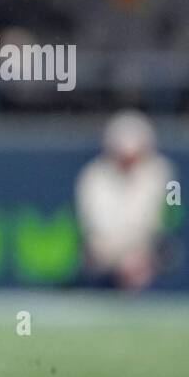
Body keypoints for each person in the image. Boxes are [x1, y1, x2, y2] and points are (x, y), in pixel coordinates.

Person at [75, 110, 174, 290]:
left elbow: (159, 222)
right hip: (105, 255)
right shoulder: (94, 175)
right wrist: (119, 257)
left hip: (146, 254)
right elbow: (96, 225)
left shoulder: (161, 173)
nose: (128, 161)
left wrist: (140, 256)